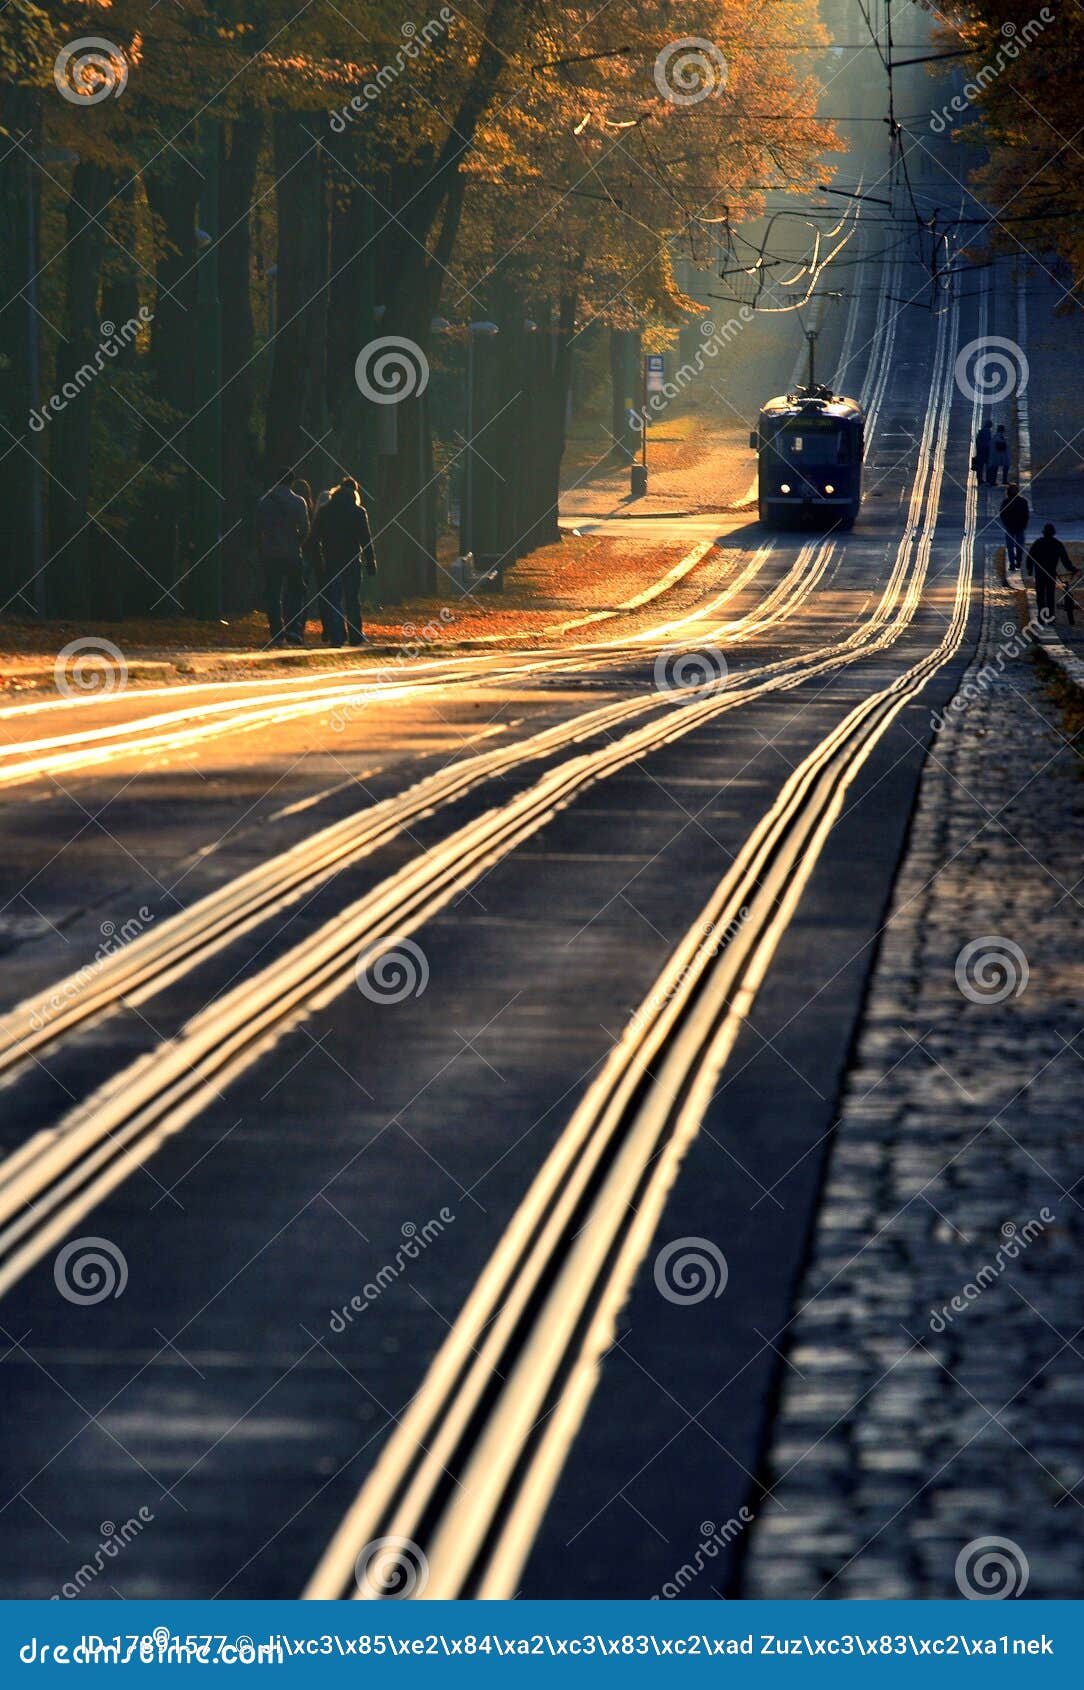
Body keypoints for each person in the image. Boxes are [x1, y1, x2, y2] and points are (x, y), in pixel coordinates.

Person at [307, 477, 377, 646]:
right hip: (352, 560)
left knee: (334, 598)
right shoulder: (358, 512)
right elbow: (365, 539)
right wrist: (371, 561)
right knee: (352, 599)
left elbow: (313, 538)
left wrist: (317, 559)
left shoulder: (325, 511)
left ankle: (337, 635)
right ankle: (355, 635)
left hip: (331, 561)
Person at [256, 469, 310, 647]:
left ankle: (277, 632)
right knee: (296, 591)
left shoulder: (264, 502)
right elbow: (305, 529)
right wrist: (296, 542)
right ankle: (293, 628)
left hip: (271, 553)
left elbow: (258, 527)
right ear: (291, 482)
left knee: (273, 593)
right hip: (292, 553)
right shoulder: (298, 502)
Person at [1027, 522, 1078, 623]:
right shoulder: (1057, 544)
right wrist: (1073, 569)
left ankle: (1041, 617)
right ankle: (1050, 617)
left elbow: (1030, 558)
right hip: (1051, 573)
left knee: (1040, 596)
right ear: (1053, 533)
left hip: (1039, 573)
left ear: (1044, 533)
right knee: (1050, 595)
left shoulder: (1038, 543)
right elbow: (1065, 561)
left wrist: (1029, 569)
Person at [999, 482, 1029, 571]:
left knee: (1012, 546)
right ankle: (1015, 562)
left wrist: (1006, 523)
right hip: (1016, 526)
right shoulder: (1022, 501)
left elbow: (1002, 514)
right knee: (1017, 546)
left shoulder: (1007, 502)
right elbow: (1026, 515)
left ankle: (1014, 562)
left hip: (1013, 526)